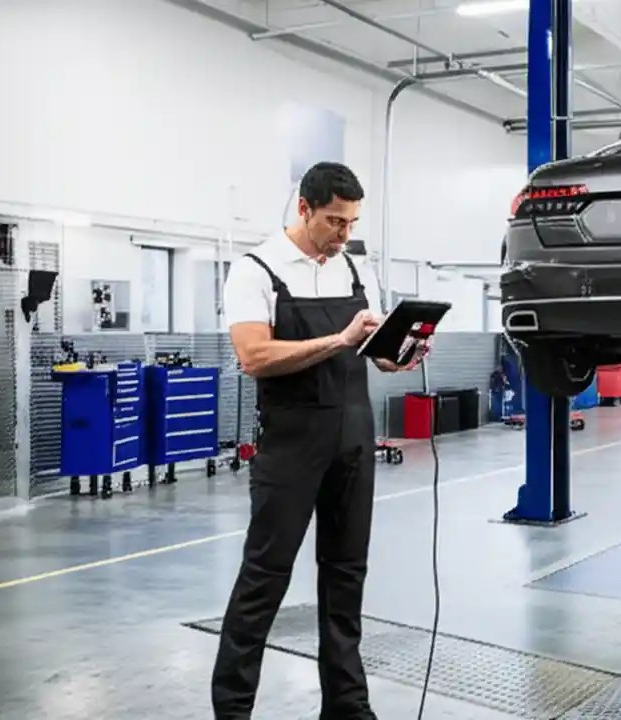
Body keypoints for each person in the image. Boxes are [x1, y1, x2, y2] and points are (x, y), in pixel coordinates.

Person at [211, 161, 419, 719]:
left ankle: (348, 707)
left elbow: (368, 350)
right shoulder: (256, 269)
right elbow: (253, 356)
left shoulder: (356, 272)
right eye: (334, 221)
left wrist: (398, 354)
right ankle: (232, 712)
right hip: (290, 444)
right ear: (304, 209)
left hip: (353, 438)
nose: (344, 233)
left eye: (351, 222)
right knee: (265, 578)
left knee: (347, 573)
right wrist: (339, 338)